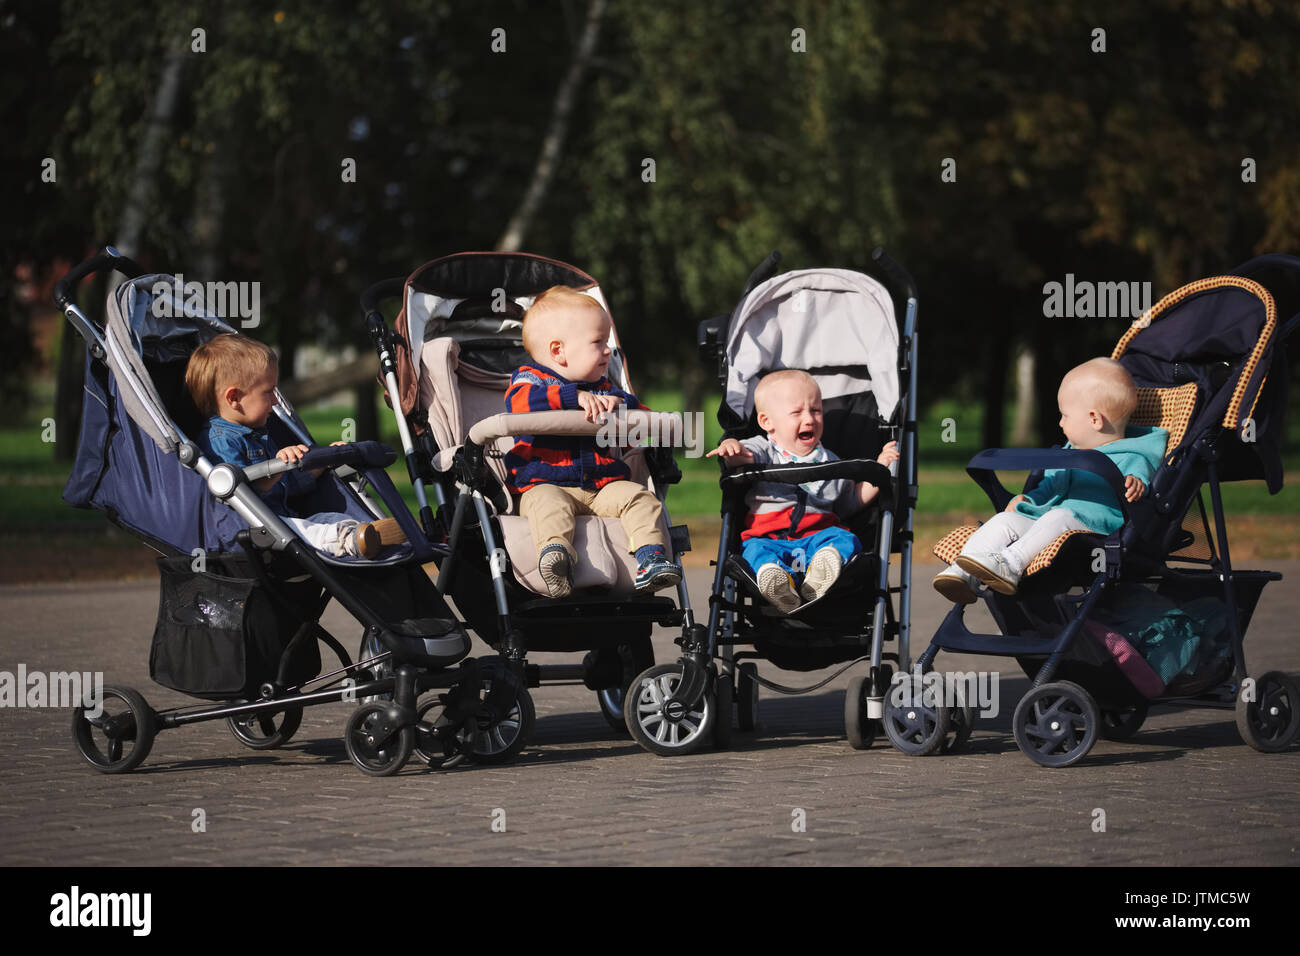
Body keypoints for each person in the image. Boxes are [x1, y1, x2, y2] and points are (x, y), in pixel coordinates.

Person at [933, 357, 1167, 602]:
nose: (1060, 422)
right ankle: (963, 572)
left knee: (1059, 516)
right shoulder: (1069, 453)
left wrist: (1137, 484)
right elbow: (1050, 487)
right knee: (1005, 519)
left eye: (1065, 416)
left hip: (1093, 530)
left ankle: (1011, 564)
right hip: (1048, 522)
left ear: (1094, 419)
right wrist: (1028, 500)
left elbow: (1141, 480)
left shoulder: (1133, 455)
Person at [504, 285, 682, 598]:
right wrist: (573, 398)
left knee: (640, 497)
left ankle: (650, 558)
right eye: (598, 342)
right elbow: (518, 404)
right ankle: (556, 556)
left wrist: (632, 411)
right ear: (558, 351)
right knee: (548, 504)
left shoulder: (605, 388)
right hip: (547, 483)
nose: (608, 351)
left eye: (607, 342)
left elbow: (641, 414)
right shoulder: (530, 379)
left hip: (602, 487)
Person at [185, 333, 405, 559]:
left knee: (324, 521)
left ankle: (366, 533)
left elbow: (290, 485)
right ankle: (352, 540)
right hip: (255, 531)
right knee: (310, 531)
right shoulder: (219, 440)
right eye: (268, 391)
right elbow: (242, 493)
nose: (275, 400)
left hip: (286, 521)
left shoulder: (258, 433)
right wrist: (277, 465)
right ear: (234, 398)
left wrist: (326, 459)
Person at [708, 369, 899, 613]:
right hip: (769, 538)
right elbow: (742, 458)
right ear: (768, 422)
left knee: (846, 539)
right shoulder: (765, 449)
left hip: (818, 538)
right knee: (754, 552)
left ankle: (819, 575)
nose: (809, 419)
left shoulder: (830, 460)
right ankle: (778, 582)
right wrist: (731, 446)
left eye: (816, 410)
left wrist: (880, 468)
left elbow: (849, 501)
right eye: (797, 412)